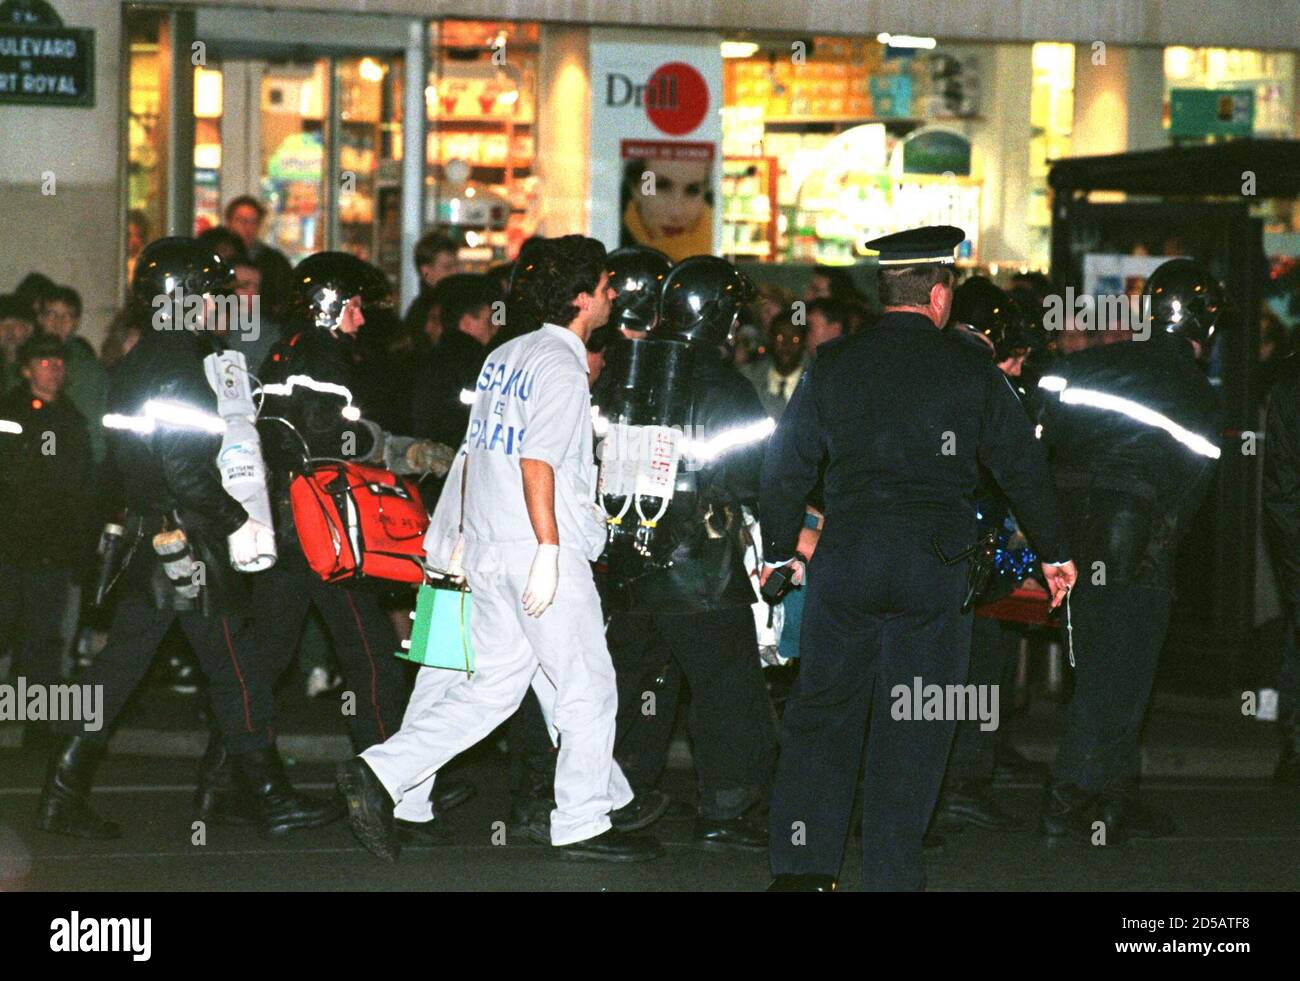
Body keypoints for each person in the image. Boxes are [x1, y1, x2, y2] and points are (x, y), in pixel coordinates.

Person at [760, 226, 1075, 891]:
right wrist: (1055, 554)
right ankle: (891, 872)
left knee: (823, 713)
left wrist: (777, 551)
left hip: (847, 558)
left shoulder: (834, 362)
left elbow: (784, 467)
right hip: (934, 565)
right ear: (939, 295)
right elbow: (1025, 470)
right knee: (915, 717)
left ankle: (804, 868)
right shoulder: (972, 370)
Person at [337, 235, 661, 864]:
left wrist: (456, 539)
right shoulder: (563, 364)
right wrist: (548, 548)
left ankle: (380, 773)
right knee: (587, 686)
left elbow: (476, 450)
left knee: (493, 688)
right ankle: (583, 821)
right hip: (542, 549)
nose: (612, 293)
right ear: (578, 298)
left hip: (486, 544)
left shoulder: (504, 354)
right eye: (603, 285)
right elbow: (536, 459)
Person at [39, 237, 340, 840]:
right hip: (191, 545)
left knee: (122, 667)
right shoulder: (180, 365)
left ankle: (60, 793)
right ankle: (269, 798)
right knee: (236, 670)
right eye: (210, 295)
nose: (219, 306)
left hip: (151, 543)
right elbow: (184, 470)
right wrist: (240, 522)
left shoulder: (136, 360)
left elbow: (135, 463)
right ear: (181, 298)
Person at [1034, 258, 1222, 843]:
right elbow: (1187, 497)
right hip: (1137, 552)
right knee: (1121, 682)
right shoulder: (1199, 398)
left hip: (1072, 546)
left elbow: (1036, 433)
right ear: (1205, 327)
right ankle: (1071, 805)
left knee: (1097, 673)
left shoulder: (1087, 366)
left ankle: (1111, 799)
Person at [595, 254, 778, 850]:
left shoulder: (625, 370)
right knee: (729, 690)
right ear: (717, 316)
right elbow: (755, 476)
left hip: (627, 561)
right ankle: (726, 809)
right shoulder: (726, 386)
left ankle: (618, 796)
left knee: (642, 685)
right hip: (701, 566)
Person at [246, 252, 451, 765]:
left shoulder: (285, 349)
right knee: (372, 657)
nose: (361, 319)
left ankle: (237, 778)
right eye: (354, 307)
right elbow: (325, 432)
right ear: (327, 306)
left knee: (266, 658)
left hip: (287, 525)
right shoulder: (321, 352)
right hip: (320, 530)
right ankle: (385, 783)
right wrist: (395, 449)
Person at [0, 335, 95, 749]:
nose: (54, 368)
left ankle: (36, 724)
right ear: (26, 368)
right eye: (44, 361)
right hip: (11, 542)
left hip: (52, 547)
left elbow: (80, 483)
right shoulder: (10, 412)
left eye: (59, 361)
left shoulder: (70, 417)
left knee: (44, 637)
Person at [410, 273, 503, 448]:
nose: (496, 326)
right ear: (467, 321)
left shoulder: (426, 359)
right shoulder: (479, 363)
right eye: (490, 318)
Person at [37, 285, 109, 465]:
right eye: (51, 314)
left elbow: (94, 432)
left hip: (70, 469)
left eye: (66, 316)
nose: (58, 323)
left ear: (76, 322)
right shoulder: (25, 361)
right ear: (40, 318)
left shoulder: (88, 370)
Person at [740, 314, 807, 421]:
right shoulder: (746, 380)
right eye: (780, 338)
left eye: (795, 339)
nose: (786, 345)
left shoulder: (818, 385)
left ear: (804, 343)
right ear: (770, 339)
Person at [402, 232, 460, 338]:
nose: (456, 272)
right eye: (448, 267)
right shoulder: (420, 314)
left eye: (457, 265)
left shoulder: (457, 304)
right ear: (426, 272)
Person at [223, 195, 286, 265]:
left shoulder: (274, 260)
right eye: (242, 221)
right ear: (229, 223)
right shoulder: (219, 256)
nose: (248, 227)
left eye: (254, 222)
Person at [0, 293, 35, 394]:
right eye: (3, 325)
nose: (9, 331)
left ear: (29, 329)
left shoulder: (35, 364)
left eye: (16, 325)